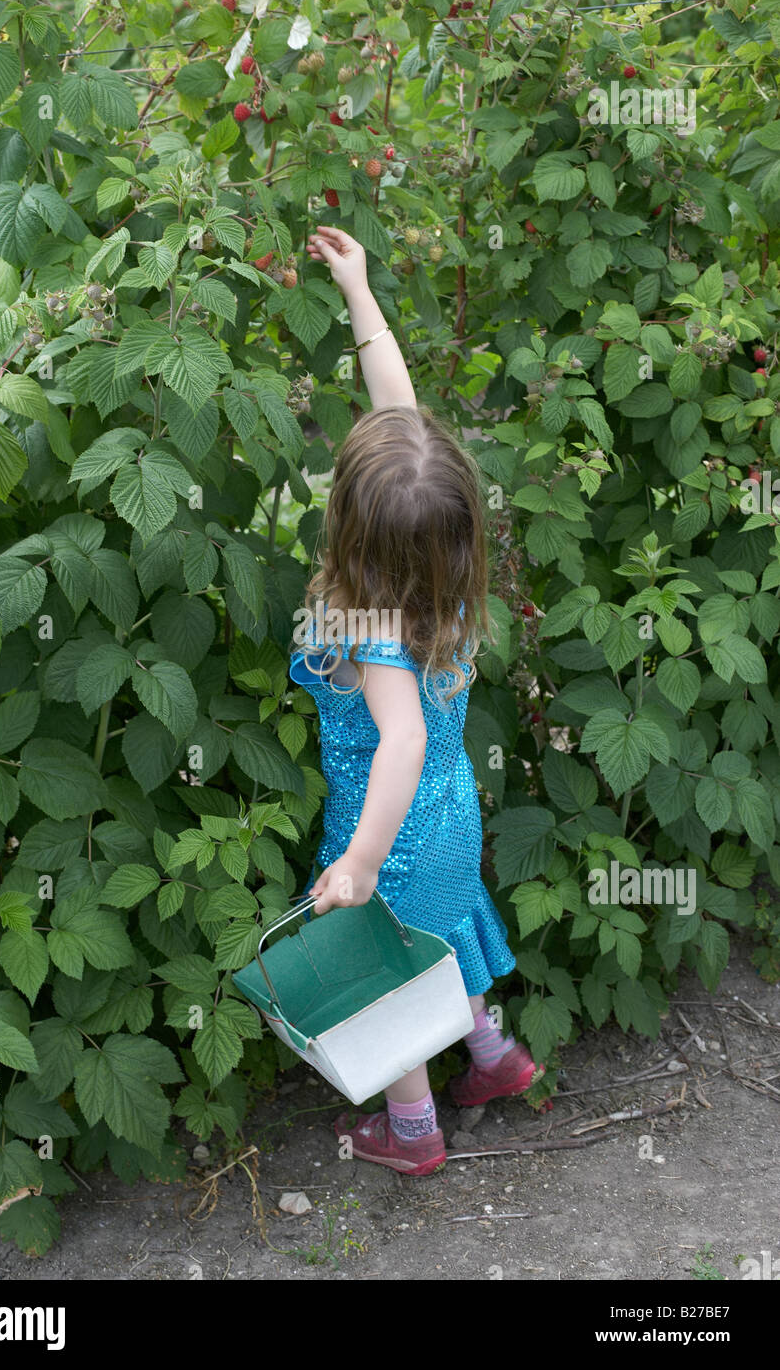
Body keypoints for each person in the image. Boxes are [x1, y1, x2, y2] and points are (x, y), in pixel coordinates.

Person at [286, 225, 543, 1177]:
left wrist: (357, 861)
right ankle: (493, 1055)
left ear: (349, 522)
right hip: (451, 809)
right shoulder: (448, 575)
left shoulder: (368, 620)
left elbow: (394, 739)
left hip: (388, 818)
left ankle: (413, 1130)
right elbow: (404, 417)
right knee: (441, 933)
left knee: (387, 973)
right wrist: (358, 289)